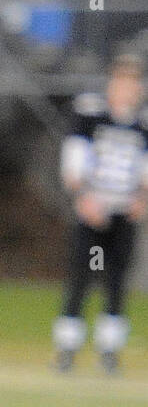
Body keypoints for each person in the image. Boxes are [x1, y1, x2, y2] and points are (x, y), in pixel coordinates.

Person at [52, 53, 148, 374]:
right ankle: (67, 349)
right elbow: (74, 160)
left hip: (124, 215)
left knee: (116, 283)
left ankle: (109, 351)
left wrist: (141, 199)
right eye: (122, 82)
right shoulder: (90, 115)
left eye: (133, 84)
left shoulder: (142, 123)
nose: (127, 90)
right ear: (112, 83)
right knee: (79, 279)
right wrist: (83, 198)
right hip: (91, 212)